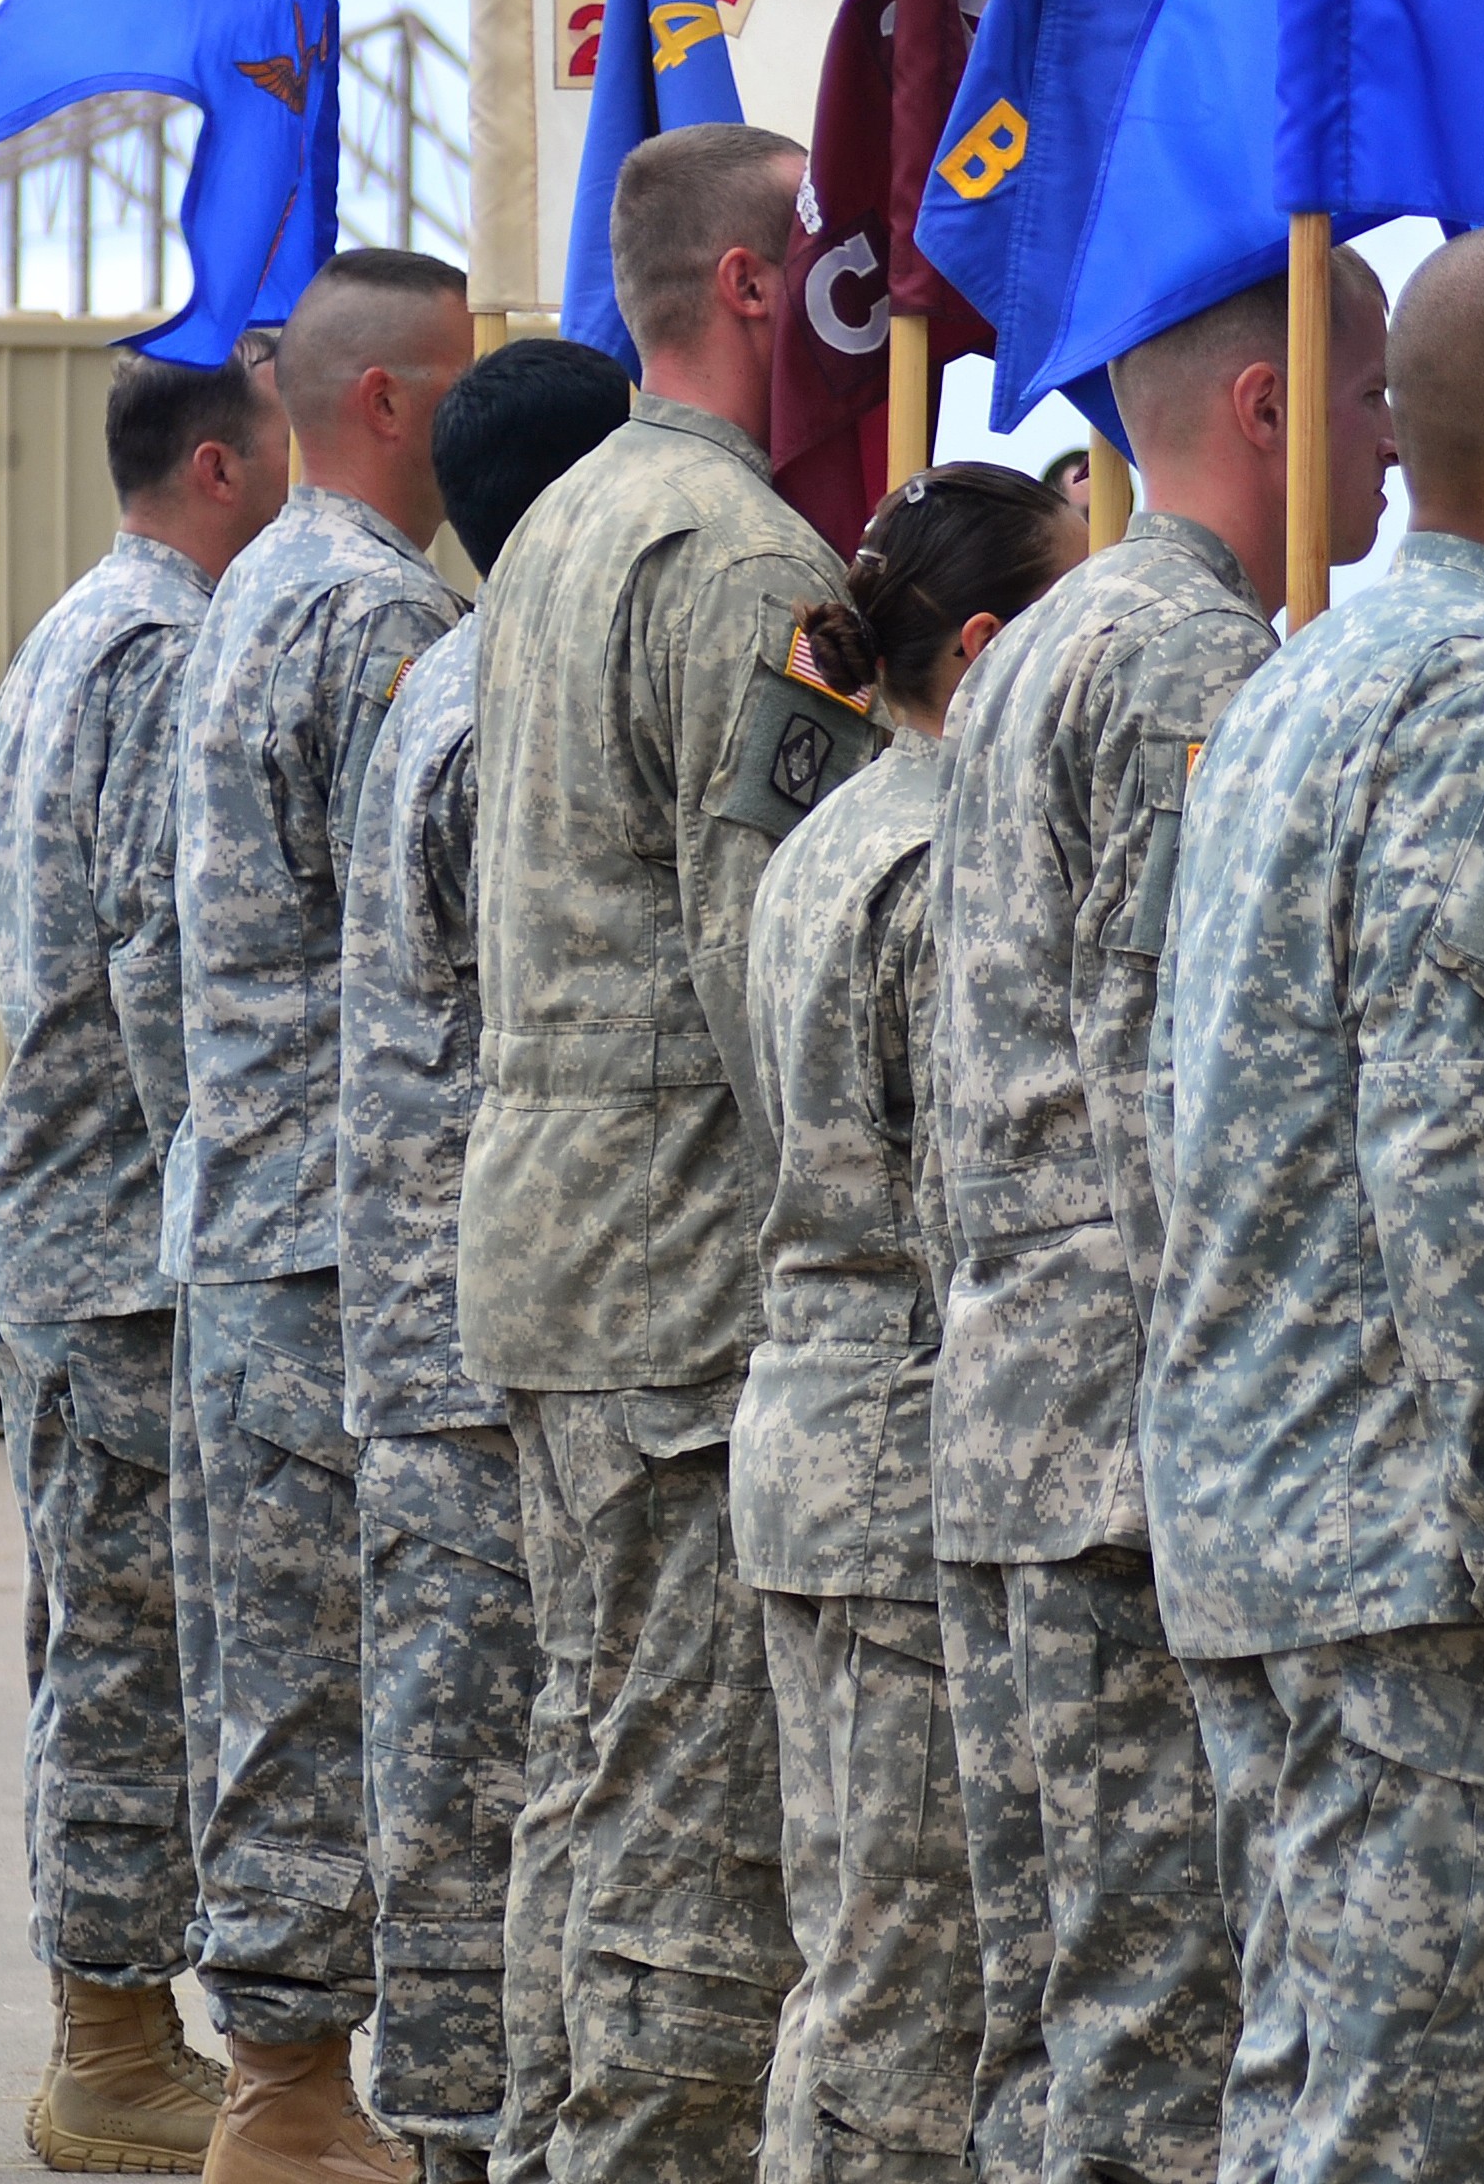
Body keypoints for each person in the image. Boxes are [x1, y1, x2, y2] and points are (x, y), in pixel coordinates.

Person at [1143, 226, 1484, 2184]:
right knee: (1419, 2137)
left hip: (1271, 1525)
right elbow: (1474, 1166)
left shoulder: (1309, 679)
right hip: (1421, 1575)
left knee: (1310, 2108)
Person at [927, 247, 1394, 2184]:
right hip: (1129, 1464)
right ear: (1266, 407)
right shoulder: (1190, 662)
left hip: (1014, 1421)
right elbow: (1172, 1105)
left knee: (1050, 2023)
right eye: (1364, 399)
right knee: (1154, 2035)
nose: (1389, 449)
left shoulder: (1050, 631)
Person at [458, 125, 880, 2184]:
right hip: (679, 1274)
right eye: (815, 251)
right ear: (743, 284)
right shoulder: (741, 561)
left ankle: (544, 2139)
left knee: (595, 1760)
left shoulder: (560, 526)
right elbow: (776, 967)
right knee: (690, 1828)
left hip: (556, 1244)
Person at [735, 465, 1086, 2184]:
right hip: (899, 1459)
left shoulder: (825, 835)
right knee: (911, 1985)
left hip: (811, 1425)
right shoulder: (952, 853)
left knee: (853, 1950)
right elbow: (978, 1187)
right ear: (990, 643)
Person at [167, 249, 475, 2184]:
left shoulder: (252, 588)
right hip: (348, 1236)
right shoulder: (372, 622)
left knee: (276, 1667)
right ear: (388, 400)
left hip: (251, 1207)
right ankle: (299, 2108)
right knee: (375, 1676)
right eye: (457, 380)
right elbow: (434, 947)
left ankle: (280, 2088)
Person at [0, 339, 287, 2176]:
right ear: (223, 471)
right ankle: (107, 2041)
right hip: (118, 1246)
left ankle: (113, 2022)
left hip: (62, 1229)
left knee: (101, 1645)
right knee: (127, 1658)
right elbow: (176, 971)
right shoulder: (166, 655)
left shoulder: (73, 629)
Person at [335, 338, 633, 2184]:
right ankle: (465, 2143)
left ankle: (463, 2132)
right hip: (484, 1330)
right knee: (490, 1788)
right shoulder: (506, 698)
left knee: (463, 1782)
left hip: (441, 1310)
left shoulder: (449, 677)